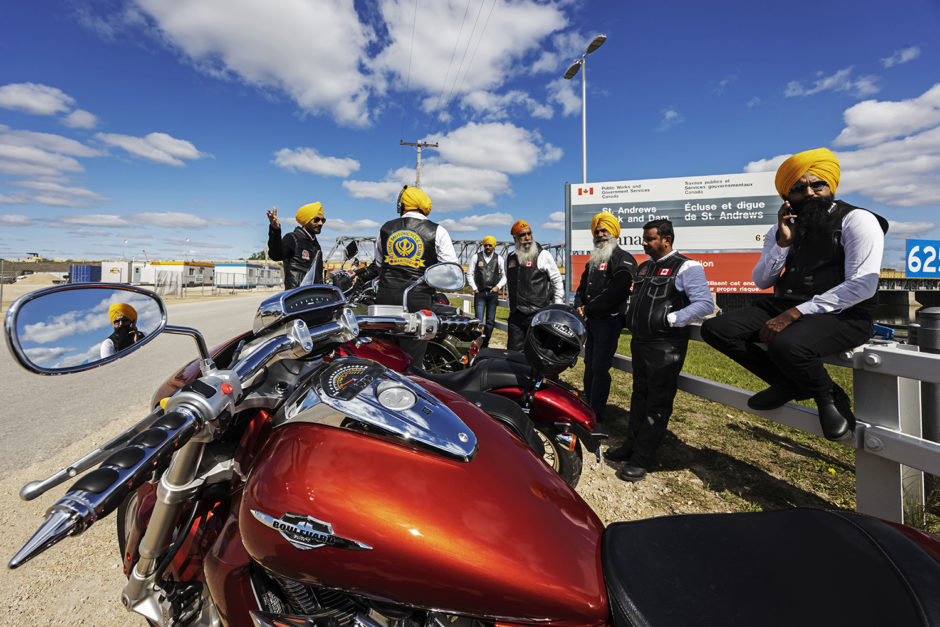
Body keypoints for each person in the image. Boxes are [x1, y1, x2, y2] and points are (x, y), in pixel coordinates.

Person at [701, 147, 888, 441]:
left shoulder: (857, 220)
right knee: (716, 329)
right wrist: (783, 243)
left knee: (787, 345)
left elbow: (862, 286)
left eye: (818, 185)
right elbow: (762, 279)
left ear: (831, 186)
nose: (810, 192)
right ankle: (790, 384)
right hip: (789, 302)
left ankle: (830, 397)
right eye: (800, 188)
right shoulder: (783, 229)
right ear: (788, 196)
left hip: (844, 313)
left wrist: (796, 313)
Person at [607, 219, 714, 482]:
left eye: (650, 238)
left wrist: (671, 319)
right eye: (644, 238)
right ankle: (631, 446)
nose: (643, 243)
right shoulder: (645, 267)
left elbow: (704, 303)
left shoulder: (686, 266)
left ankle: (642, 459)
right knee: (639, 396)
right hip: (641, 342)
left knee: (657, 403)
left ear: (666, 240)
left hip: (665, 345)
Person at [374, 185, 459, 364]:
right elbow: (451, 269)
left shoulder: (386, 228)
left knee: (383, 354)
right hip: (418, 299)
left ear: (404, 204)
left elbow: (380, 265)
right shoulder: (438, 230)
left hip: (385, 297)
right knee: (413, 358)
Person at [574, 212, 637, 436]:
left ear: (614, 233)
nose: (600, 235)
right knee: (589, 367)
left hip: (609, 323)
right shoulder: (594, 261)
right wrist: (579, 305)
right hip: (591, 323)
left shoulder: (623, 258)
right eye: (597, 232)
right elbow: (582, 289)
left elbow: (618, 290)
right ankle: (586, 409)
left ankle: (597, 417)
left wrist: (588, 309)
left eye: (604, 231)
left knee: (600, 369)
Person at [505, 220, 564, 352]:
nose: (527, 238)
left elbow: (557, 280)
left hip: (538, 314)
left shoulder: (543, 255)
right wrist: (511, 306)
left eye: (529, 234)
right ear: (515, 238)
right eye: (522, 235)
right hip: (516, 316)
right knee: (514, 353)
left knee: (538, 353)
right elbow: (510, 284)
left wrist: (557, 306)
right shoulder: (510, 258)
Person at [266, 202, 325, 289]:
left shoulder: (316, 246)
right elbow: (276, 255)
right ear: (306, 221)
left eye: (323, 220)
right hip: (296, 296)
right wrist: (275, 231)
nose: (320, 223)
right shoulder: (292, 239)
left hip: (314, 296)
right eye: (316, 220)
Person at [467, 235, 506, 347]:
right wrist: (475, 288)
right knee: (478, 321)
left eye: (490, 245)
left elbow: (505, 276)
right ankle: (477, 343)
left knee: (490, 322)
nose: (487, 247)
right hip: (480, 293)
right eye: (486, 245)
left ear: (494, 246)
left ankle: (485, 343)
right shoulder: (476, 257)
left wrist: (498, 286)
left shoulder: (499, 258)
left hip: (493, 294)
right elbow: (469, 274)